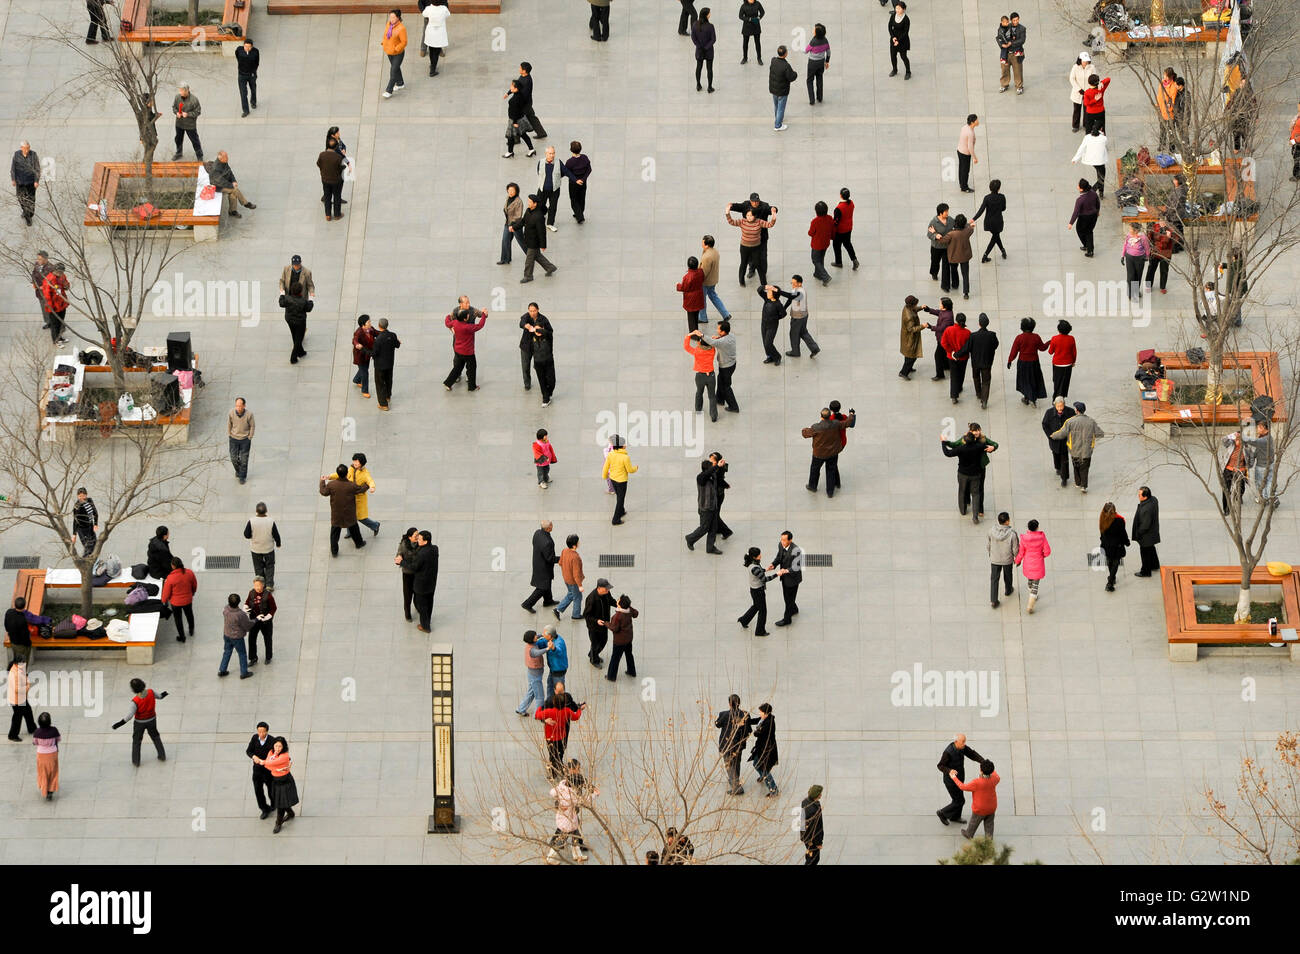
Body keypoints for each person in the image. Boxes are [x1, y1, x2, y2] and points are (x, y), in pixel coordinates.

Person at [942, 423, 999, 522]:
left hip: (975, 469)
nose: (977, 432)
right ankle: (971, 508)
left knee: (976, 489)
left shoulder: (981, 440)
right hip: (975, 471)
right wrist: (946, 441)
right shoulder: (975, 444)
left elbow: (995, 444)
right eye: (974, 431)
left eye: (978, 430)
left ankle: (975, 509)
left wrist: (943, 441)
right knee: (972, 490)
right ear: (970, 432)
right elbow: (954, 444)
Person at [547, 761, 597, 864]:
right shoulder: (572, 796)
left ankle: (577, 854)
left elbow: (552, 792)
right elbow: (585, 801)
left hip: (567, 816)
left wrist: (559, 800)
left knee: (576, 833)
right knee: (562, 838)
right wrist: (595, 794)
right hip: (568, 819)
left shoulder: (562, 786)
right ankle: (550, 859)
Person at [110, 678, 168, 766]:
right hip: (152, 720)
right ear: (143, 684)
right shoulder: (151, 692)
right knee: (156, 737)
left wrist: (118, 724)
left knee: (137, 741)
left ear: (133, 689)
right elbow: (160, 696)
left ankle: (136, 762)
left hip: (139, 723)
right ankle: (162, 756)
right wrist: (165, 693)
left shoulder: (135, 701)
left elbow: (129, 716)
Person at [1051, 401, 1103, 493]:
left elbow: (1062, 433)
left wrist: (1053, 435)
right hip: (1087, 450)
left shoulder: (1070, 421)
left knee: (1076, 467)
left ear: (1077, 410)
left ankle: (1078, 482)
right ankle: (1084, 486)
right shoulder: (1091, 421)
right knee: (1085, 468)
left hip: (1074, 449)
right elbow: (1100, 433)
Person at [803, 406, 855, 498]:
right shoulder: (836, 424)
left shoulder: (816, 427)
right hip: (833, 453)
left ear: (821, 416)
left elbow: (805, 434)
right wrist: (851, 414)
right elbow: (848, 422)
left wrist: (804, 430)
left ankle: (812, 486)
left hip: (819, 454)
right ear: (830, 415)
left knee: (815, 469)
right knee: (831, 470)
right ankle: (830, 492)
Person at [535, 685, 584, 779]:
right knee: (560, 752)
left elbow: (537, 715)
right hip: (561, 737)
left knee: (552, 755)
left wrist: (540, 708)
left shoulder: (549, 712)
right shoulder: (567, 711)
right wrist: (579, 709)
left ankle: (553, 773)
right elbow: (576, 716)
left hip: (551, 738)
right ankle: (559, 766)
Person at [251, 737, 298, 833]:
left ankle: (278, 823)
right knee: (281, 800)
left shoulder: (285, 756)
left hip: (284, 781)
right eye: (276, 745)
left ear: (284, 746)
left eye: (280, 746)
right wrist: (269, 764)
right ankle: (290, 813)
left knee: (280, 804)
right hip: (276, 780)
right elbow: (268, 765)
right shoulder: (271, 752)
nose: (277, 748)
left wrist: (263, 761)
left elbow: (270, 763)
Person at [319, 465, 368, 556]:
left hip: (336, 514)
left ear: (337, 474)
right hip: (349, 513)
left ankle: (334, 551)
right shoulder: (351, 485)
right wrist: (367, 484)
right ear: (346, 474)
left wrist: (322, 481)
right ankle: (359, 543)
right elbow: (361, 489)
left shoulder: (331, 485)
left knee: (334, 534)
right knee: (354, 528)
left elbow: (323, 492)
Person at [936, 734, 984, 825]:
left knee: (959, 799)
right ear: (956, 742)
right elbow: (940, 765)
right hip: (951, 781)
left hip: (960, 777)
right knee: (959, 801)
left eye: (965, 741)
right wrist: (949, 770)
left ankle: (955, 817)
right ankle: (942, 813)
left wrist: (983, 761)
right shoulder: (948, 752)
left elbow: (972, 754)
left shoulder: (962, 748)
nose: (964, 744)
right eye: (963, 742)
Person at [726, 204, 777, 287]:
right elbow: (731, 222)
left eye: (751, 215)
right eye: (748, 215)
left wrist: (774, 216)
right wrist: (727, 212)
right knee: (743, 264)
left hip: (756, 248)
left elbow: (770, 224)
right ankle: (741, 281)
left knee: (758, 265)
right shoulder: (742, 221)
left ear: (755, 216)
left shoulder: (759, 222)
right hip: (744, 247)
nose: (749, 217)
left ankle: (764, 284)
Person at [442, 299, 487, 391]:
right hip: (468, 352)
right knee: (472, 368)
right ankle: (472, 386)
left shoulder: (455, 323)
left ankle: (448, 383)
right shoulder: (468, 327)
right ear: (465, 319)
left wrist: (448, 316)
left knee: (457, 368)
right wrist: (483, 315)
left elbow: (447, 323)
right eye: (467, 315)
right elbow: (480, 325)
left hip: (458, 350)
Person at [739, 546, 783, 637]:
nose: (760, 556)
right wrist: (777, 574)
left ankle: (744, 620)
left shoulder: (751, 563)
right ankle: (760, 631)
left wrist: (767, 569)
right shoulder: (754, 567)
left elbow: (759, 571)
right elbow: (764, 579)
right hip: (758, 591)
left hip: (753, 590)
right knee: (763, 611)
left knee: (756, 606)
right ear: (754, 557)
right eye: (759, 555)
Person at [715, 694, 752, 795]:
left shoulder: (724, 714)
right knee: (736, 763)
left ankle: (736, 787)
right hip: (739, 744)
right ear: (739, 703)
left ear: (729, 704)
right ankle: (735, 781)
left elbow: (717, 724)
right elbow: (749, 730)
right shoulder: (746, 714)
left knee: (729, 765)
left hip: (726, 744)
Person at [953, 759, 1000, 839]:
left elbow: (962, 786)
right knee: (989, 825)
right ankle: (988, 841)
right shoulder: (995, 779)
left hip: (980, 809)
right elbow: (995, 775)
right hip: (992, 807)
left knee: (974, 822)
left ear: (981, 770)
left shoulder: (977, 782)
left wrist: (954, 777)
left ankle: (969, 834)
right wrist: (990, 767)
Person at [1006, 316, 1048, 406]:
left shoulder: (1019, 338)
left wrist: (1010, 360)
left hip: (1023, 363)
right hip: (1034, 363)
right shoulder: (1036, 337)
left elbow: (1014, 351)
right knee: (1034, 379)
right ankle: (1033, 398)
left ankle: (1027, 397)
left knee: (1024, 380)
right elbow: (1042, 348)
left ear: (1022, 327)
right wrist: (1050, 342)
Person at [685, 458, 723, 552]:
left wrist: (720, 466)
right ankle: (690, 538)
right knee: (704, 528)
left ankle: (710, 548)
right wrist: (717, 466)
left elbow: (719, 473)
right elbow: (706, 474)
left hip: (713, 506)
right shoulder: (701, 477)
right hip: (705, 508)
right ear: (707, 469)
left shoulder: (712, 476)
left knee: (713, 528)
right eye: (711, 467)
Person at [1013, 519, 1051, 613]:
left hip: (1028, 564)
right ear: (1037, 527)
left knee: (1030, 580)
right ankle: (1030, 605)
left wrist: (1017, 561)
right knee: (1036, 586)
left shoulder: (1024, 538)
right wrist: (1042, 556)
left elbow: (1021, 552)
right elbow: (1047, 551)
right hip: (1038, 564)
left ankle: (1030, 590)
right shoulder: (1042, 537)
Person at [522, 520, 560, 612]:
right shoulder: (547, 542)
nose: (552, 525)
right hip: (544, 567)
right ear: (548, 528)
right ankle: (527, 604)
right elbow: (550, 558)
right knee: (542, 587)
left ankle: (548, 600)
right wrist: (562, 558)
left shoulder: (537, 533)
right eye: (551, 525)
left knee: (547, 583)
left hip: (538, 562)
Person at [205, 151, 256, 219]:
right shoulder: (216, 168)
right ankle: (246, 204)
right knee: (235, 190)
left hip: (225, 183)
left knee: (233, 194)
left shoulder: (224, 163)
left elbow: (230, 172)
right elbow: (221, 182)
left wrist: (234, 181)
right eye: (226, 157)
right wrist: (231, 185)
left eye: (227, 156)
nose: (227, 158)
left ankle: (232, 211)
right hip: (218, 186)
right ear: (220, 158)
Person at [520, 194, 557, 282]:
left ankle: (528, 276)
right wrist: (514, 227)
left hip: (534, 242)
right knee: (537, 256)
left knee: (529, 260)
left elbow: (542, 232)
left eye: (530, 202)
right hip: (529, 239)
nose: (528, 203)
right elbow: (523, 221)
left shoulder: (539, 216)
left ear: (535, 204)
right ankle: (550, 267)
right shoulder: (528, 211)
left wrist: (543, 245)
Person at [684, 330, 719, 422]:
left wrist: (690, 335)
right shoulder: (712, 350)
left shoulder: (697, 351)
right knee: (712, 396)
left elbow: (686, 347)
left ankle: (698, 409)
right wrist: (714, 338)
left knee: (699, 392)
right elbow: (713, 343)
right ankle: (714, 416)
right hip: (711, 375)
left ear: (699, 343)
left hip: (700, 376)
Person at [770, 531, 803, 627]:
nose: (782, 541)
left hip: (793, 579)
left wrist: (785, 570)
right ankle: (794, 609)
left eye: (784, 540)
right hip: (784, 577)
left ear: (790, 540)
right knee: (787, 597)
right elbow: (779, 556)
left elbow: (796, 567)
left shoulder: (796, 550)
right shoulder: (780, 545)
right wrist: (774, 564)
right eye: (781, 539)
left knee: (788, 599)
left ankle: (787, 619)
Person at [938, 213, 975, 299]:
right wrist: (969, 225)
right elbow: (969, 228)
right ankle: (966, 293)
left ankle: (955, 284)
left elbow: (942, 240)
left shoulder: (951, 234)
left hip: (954, 256)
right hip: (965, 256)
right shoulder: (968, 230)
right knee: (965, 274)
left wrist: (936, 234)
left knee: (954, 270)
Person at [1041, 396, 1076, 488]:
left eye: (1062, 406)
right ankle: (1057, 467)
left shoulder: (1070, 412)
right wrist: (1050, 435)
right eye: (1058, 406)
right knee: (1055, 454)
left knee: (1064, 460)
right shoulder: (1049, 413)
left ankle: (1064, 478)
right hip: (1054, 441)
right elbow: (1045, 425)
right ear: (1055, 406)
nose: (1060, 408)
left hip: (1065, 441)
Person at [161, 556, 198, 643]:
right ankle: (191, 630)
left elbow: (166, 592)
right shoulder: (189, 573)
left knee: (178, 619)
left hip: (176, 603)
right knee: (189, 615)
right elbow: (194, 585)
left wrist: (164, 600)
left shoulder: (170, 578)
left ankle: (182, 637)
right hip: (188, 600)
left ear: (173, 566)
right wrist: (192, 592)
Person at [987, 512, 1019, 608]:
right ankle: (1008, 590)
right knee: (1008, 575)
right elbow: (1015, 548)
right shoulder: (1012, 534)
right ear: (1007, 521)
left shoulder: (991, 531)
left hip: (995, 559)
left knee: (994, 579)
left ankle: (993, 600)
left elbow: (988, 544)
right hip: (1007, 559)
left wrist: (990, 554)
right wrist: (1016, 557)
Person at [966, 313, 999, 409]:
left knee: (976, 377)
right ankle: (984, 400)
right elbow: (995, 345)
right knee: (986, 381)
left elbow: (967, 348)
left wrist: (956, 354)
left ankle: (978, 393)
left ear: (979, 324)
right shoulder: (992, 335)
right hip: (987, 363)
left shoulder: (973, 336)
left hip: (975, 363)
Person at [603, 438, 637, 525]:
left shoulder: (611, 454)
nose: (626, 445)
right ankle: (616, 519)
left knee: (619, 496)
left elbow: (606, 467)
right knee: (620, 499)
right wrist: (636, 468)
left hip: (613, 479)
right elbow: (630, 470)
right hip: (622, 481)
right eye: (624, 444)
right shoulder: (625, 457)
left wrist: (604, 476)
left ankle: (621, 511)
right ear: (622, 446)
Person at [219, 593, 253, 680]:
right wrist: (255, 620)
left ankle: (222, 670)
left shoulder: (226, 609)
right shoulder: (240, 614)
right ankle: (244, 672)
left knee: (227, 651)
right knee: (242, 654)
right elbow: (247, 625)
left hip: (227, 634)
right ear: (239, 602)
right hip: (237, 637)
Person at [4, 597, 48, 666]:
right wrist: (29, 644)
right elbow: (25, 636)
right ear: (24, 606)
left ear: (15, 604)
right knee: (22, 663)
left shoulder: (9, 612)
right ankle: (21, 676)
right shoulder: (23, 619)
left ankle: (15, 672)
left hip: (12, 640)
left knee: (17, 659)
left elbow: (6, 627)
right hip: (21, 645)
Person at [747, 703, 779, 795]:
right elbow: (756, 720)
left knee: (764, 769)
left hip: (766, 749)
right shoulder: (764, 719)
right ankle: (762, 776)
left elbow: (757, 733)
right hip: (761, 747)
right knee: (756, 763)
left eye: (760, 712)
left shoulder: (769, 723)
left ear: (765, 713)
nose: (759, 713)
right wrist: (746, 720)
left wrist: (756, 731)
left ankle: (774, 790)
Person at [605, 594, 638, 681]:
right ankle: (632, 671)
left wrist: (606, 623)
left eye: (619, 600)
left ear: (620, 604)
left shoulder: (618, 616)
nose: (617, 600)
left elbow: (614, 628)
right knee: (629, 655)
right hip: (629, 638)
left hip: (619, 641)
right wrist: (629, 606)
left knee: (615, 658)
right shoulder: (629, 610)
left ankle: (611, 676)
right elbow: (636, 613)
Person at [410, 530, 439, 632]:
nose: (417, 540)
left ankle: (425, 626)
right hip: (431, 583)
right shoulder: (435, 549)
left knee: (422, 606)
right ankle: (428, 620)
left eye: (419, 539)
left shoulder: (421, 554)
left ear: (425, 541)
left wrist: (402, 562)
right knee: (429, 603)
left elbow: (414, 567)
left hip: (421, 585)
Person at [582, 579, 616, 666]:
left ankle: (593, 654)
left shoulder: (606, 594)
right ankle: (594, 660)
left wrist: (619, 605)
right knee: (595, 644)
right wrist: (596, 621)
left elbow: (611, 600)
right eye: (606, 589)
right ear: (599, 588)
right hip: (594, 627)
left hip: (604, 623)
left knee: (603, 641)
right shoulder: (591, 598)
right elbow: (586, 614)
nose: (608, 591)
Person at [786, 274, 820, 357]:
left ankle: (795, 352)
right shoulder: (795, 290)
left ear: (800, 284)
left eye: (794, 283)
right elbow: (790, 299)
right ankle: (814, 348)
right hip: (803, 315)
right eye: (792, 283)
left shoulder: (800, 292)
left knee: (793, 333)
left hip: (798, 317)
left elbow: (789, 296)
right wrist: (784, 308)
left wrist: (777, 291)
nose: (792, 285)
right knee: (803, 332)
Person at [515, 631, 549, 716]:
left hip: (531, 674)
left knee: (531, 692)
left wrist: (542, 634)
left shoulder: (531, 643)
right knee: (540, 696)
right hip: (535, 676)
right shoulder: (532, 650)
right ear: (532, 639)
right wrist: (548, 648)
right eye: (535, 636)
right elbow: (538, 653)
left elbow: (537, 636)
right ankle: (539, 714)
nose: (536, 637)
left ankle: (521, 709)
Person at [972, 180, 1006, 263]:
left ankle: (1003, 250)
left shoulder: (987, 198)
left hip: (989, 222)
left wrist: (973, 219)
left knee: (996, 236)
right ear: (999, 188)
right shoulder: (1002, 197)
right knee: (995, 237)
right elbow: (1003, 209)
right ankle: (985, 255)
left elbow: (981, 210)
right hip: (998, 222)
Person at [1099, 502, 1130, 592]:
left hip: (1106, 545)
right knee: (1116, 562)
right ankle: (1110, 582)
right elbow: (1123, 534)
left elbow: (1102, 532)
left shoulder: (1102, 519)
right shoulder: (1119, 521)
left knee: (1109, 561)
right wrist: (1127, 542)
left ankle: (1112, 577)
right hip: (1117, 546)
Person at [280, 274, 311, 365]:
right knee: (299, 338)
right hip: (300, 322)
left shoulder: (287, 299)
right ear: (300, 292)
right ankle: (293, 357)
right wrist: (311, 300)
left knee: (294, 334)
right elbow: (308, 309)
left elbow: (281, 303)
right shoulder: (303, 301)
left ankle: (301, 352)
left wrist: (282, 294)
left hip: (289, 320)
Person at [347, 453, 381, 537]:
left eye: (357, 461)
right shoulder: (350, 469)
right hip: (350, 496)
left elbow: (370, 480)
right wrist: (330, 476)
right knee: (349, 514)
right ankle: (350, 532)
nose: (355, 463)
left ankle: (375, 525)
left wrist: (372, 487)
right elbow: (342, 475)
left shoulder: (365, 473)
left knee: (361, 517)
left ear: (361, 463)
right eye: (354, 461)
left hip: (359, 498)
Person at [501, 80, 536, 159]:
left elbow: (514, 112)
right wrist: (508, 93)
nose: (510, 87)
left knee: (510, 136)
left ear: (516, 88)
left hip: (514, 120)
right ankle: (531, 149)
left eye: (512, 86)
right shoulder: (521, 94)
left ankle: (510, 152)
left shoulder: (514, 101)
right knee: (523, 134)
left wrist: (515, 122)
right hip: (521, 118)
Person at [941, 312, 971, 403]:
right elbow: (968, 347)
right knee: (961, 374)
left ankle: (954, 396)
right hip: (963, 358)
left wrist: (951, 352)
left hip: (951, 357)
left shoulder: (948, 330)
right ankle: (959, 387)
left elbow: (943, 343)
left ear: (956, 321)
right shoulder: (968, 333)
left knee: (953, 375)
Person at [513, 62, 549, 139]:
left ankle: (516, 138)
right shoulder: (523, 76)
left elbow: (524, 95)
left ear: (524, 70)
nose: (519, 69)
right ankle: (541, 132)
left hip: (524, 104)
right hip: (526, 104)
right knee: (531, 118)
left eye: (520, 68)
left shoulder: (527, 81)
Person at [371, 317, 400, 411]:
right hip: (390, 363)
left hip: (380, 365)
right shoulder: (393, 335)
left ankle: (383, 404)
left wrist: (364, 350)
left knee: (380, 384)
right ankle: (388, 396)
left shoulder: (378, 339)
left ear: (379, 326)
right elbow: (397, 345)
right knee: (388, 380)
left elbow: (374, 353)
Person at [246, 721, 274, 818]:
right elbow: (248, 751)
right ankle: (264, 809)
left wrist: (266, 761)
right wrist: (253, 756)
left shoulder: (272, 740)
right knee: (258, 790)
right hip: (257, 770)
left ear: (267, 731)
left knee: (271, 789)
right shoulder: (254, 738)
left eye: (263, 732)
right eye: (259, 731)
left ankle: (274, 804)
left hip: (268, 771)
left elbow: (275, 756)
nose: (261, 734)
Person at [921, 296, 953, 380]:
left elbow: (941, 328)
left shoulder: (948, 317)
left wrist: (930, 327)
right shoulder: (946, 312)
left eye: (940, 303)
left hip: (943, 339)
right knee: (943, 353)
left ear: (944, 306)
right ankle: (947, 366)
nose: (939, 304)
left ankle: (940, 374)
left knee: (937, 356)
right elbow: (938, 312)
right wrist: (929, 309)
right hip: (941, 338)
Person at [1071, 126, 1108, 199]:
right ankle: (1091, 192)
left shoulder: (1087, 137)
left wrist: (1075, 158)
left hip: (1092, 160)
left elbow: (1081, 148)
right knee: (1101, 178)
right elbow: (1105, 143)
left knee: (1100, 176)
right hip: (1100, 161)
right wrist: (1101, 134)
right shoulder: (1103, 138)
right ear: (1100, 130)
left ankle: (1100, 193)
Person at [245, 577, 275, 665]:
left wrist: (267, 617)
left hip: (265, 621)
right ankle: (253, 658)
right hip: (254, 620)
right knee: (251, 638)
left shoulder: (268, 595)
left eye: (258, 585)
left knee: (268, 639)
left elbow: (273, 608)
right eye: (255, 585)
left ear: (263, 585)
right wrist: (246, 609)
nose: (257, 587)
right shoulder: (251, 593)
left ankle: (268, 657)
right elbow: (247, 603)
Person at [534, 146, 565, 232]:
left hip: (554, 190)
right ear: (546, 154)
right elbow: (539, 172)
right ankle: (541, 216)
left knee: (553, 207)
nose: (552, 155)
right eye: (550, 153)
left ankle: (550, 223)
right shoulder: (541, 162)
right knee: (540, 205)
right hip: (542, 189)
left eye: (553, 153)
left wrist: (576, 180)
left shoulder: (558, 162)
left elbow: (564, 172)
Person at [1132, 487, 1161, 576]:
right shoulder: (1154, 499)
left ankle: (1145, 571)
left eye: (1140, 495)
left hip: (1146, 535)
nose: (1138, 496)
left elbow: (1145, 525)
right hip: (1153, 532)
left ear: (1145, 497)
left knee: (1145, 553)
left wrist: (1138, 533)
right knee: (1151, 549)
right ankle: (1155, 565)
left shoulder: (1146, 509)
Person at [1067, 178, 1100, 257]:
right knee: (1089, 231)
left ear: (1081, 189)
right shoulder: (1093, 193)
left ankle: (1088, 248)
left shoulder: (1080, 200)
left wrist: (1071, 223)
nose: (1077, 186)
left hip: (1084, 218)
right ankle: (1089, 248)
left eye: (1078, 185)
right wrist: (1098, 211)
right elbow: (1097, 203)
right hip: (1093, 216)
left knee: (1080, 230)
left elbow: (1076, 212)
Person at [768, 45, 797, 132]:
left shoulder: (773, 61)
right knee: (781, 108)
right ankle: (778, 125)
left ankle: (777, 118)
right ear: (785, 54)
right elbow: (791, 77)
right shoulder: (786, 66)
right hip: (782, 91)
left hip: (774, 89)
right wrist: (795, 73)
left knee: (776, 105)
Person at [1220, 431, 1249, 516]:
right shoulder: (1231, 444)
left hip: (1240, 470)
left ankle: (1238, 497)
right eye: (1236, 438)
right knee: (1226, 489)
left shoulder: (1246, 448)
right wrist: (1230, 435)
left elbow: (1251, 459)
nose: (1237, 441)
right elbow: (1223, 440)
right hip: (1228, 469)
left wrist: (1247, 467)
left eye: (1239, 439)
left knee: (1241, 488)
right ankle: (1226, 508)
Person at [555, 534, 584, 620]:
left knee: (571, 594)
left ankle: (558, 609)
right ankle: (576, 615)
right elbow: (576, 574)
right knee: (578, 597)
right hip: (573, 581)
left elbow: (560, 563)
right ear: (574, 546)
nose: (579, 543)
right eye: (578, 542)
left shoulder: (564, 550)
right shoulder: (575, 557)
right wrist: (580, 586)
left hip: (566, 579)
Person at [171, 83, 203, 160]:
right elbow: (174, 107)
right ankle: (179, 153)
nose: (180, 92)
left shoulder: (194, 100)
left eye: (182, 90)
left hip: (190, 125)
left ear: (187, 90)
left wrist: (188, 114)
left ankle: (199, 155)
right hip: (179, 123)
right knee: (178, 139)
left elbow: (198, 112)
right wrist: (176, 113)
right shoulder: (177, 97)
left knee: (194, 140)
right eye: (180, 90)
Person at [11, 140, 40, 226]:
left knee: (31, 200)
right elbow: (13, 168)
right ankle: (25, 211)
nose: (27, 150)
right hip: (20, 181)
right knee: (20, 198)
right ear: (21, 148)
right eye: (25, 149)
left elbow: (37, 169)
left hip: (31, 182)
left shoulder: (33, 155)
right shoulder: (16, 155)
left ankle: (29, 217)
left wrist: (36, 181)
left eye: (28, 148)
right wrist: (13, 179)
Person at [1246, 423, 1276, 505]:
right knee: (1269, 482)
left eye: (1258, 428)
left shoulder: (1264, 440)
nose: (1257, 430)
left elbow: (1253, 442)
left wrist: (1243, 436)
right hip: (1270, 464)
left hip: (1262, 466)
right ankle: (1270, 498)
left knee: (1260, 483)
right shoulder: (1268, 437)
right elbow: (1258, 450)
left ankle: (1263, 499)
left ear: (1263, 428)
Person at [226, 397, 254, 483]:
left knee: (244, 459)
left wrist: (250, 437)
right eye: (236, 406)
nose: (238, 408)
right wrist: (229, 434)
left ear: (244, 406)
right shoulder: (231, 412)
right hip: (234, 438)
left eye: (240, 406)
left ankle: (242, 476)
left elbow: (252, 426)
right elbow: (229, 424)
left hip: (245, 439)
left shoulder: (249, 414)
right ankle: (238, 471)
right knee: (233, 458)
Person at [380, 10, 408, 99]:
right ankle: (400, 83)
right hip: (389, 51)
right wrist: (383, 43)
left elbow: (404, 42)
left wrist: (396, 49)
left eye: (393, 17)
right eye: (390, 17)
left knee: (393, 71)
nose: (391, 19)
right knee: (396, 68)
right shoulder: (388, 25)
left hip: (398, 53)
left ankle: (389, 90)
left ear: (398, 18)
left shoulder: (401, 28)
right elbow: (386, 35)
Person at [395, 527, 420, 621]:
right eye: (415, 535)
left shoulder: (420, 543)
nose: (418, 536)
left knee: (417, 592)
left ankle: (417, 606)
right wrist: (399, 558)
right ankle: (407, 613)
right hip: (407, 574)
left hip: (417, 572)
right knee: (407, 594)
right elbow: (398, 555)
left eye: (418, 534)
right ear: (410, 537)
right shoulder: (404, 545)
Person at [317, 138, 345, 222]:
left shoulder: (322, 155)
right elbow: (341, 168)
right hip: (336, 181)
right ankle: (337, 215)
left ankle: (328, 215)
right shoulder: (338, 157)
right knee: (337, 196)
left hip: (325, 180)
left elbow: (318, 164)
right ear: (336, 147)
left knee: (327, 196)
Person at [41, 264, 69, 347]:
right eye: (60, 272)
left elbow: (66, 285)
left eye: (62, 272)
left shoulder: (62, 276)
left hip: (62, 303)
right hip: (54, 306)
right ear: (55, 271)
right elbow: (47, 295)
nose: (61, 274)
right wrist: (50, 308)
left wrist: (66, 285)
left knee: (60, 322)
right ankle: (55, 340)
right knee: (54, 325)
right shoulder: (49, 280)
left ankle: (60, 337)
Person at [807, 202, 835, 284]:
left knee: (815, 260)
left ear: (816, 212)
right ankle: (817, 274)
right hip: (825, 243)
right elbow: (833, 229)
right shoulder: (830, 218)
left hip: (817, 244)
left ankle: (825, 276)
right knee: (821, 258)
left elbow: (810, 233)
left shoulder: (815, 221)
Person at [1047, 320, 1076, 400]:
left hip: (1057, 364)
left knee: (1056, 381)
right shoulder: (1071, 339)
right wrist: (1073, 361)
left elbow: (1050, 352)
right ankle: (1062, 396)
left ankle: (1055, 398)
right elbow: (1074, 352)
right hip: (1068, 364)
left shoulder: (1054, 338)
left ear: (1058, 329)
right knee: (1065, 382)